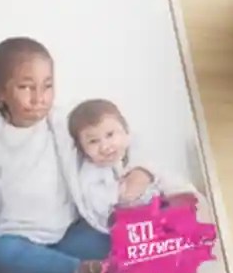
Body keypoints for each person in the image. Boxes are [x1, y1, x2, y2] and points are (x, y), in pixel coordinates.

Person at [0, 37, 171, 273]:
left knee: (137, 233)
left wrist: (141, 171)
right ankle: (84, 270)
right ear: (0, 90)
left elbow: (124, 135)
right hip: (17, 237)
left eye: (47, 86)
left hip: (70, 233)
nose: (39, 98)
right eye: (26, 88)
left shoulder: (65, 122)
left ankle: (42, 269)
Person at [67, 98, 196, 234]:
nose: (105, 146)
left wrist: (144, 172)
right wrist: (118, 194)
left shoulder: (136, 147)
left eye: (110, 135)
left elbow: (157, 169)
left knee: (183, 200)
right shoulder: (91, 174)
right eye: (93, 141)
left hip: (160, 201)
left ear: (125, 131)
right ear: (83, 150)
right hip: (128, 222)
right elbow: (98, 203)